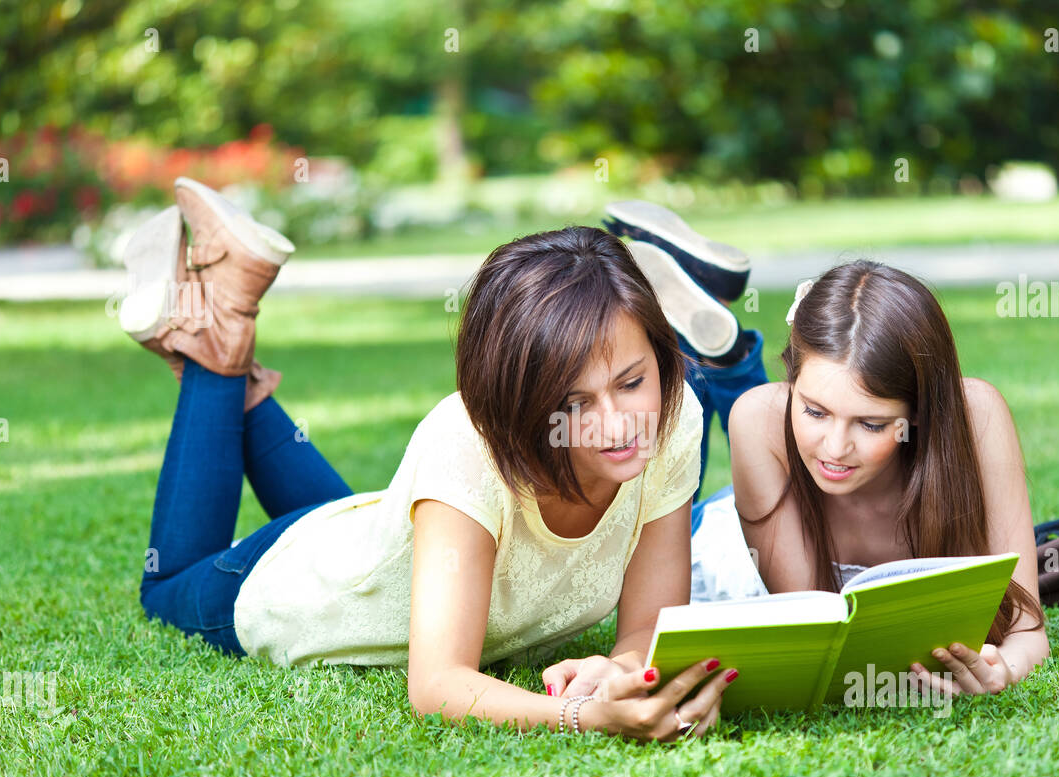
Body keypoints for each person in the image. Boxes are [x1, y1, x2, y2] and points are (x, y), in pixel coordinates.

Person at [123, 179, 736, 744]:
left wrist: (620, 673)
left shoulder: (670, 417)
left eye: (632, 382)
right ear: (517, 402)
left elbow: (648, 627)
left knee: (360, 528)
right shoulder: (468, 443)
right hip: (300, 591)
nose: (619, 421)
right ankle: (221, 331)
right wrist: (583, 715)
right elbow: (439, 685)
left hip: (370, 538)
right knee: (164, 588)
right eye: (574, 402)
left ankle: (225, 340)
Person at [684, 259, 1050, 695]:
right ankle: (704, 345)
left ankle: (721, 341)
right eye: (815, 411)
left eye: (872, 424)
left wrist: (1003, 669)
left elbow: (1029, 634)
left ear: (918, 414)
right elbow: (821, 642)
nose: (836, 448)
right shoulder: (761, 417)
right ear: (792, 382)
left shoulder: (977, 418)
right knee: (678, 513)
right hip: (723, 532)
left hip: (777, 486)